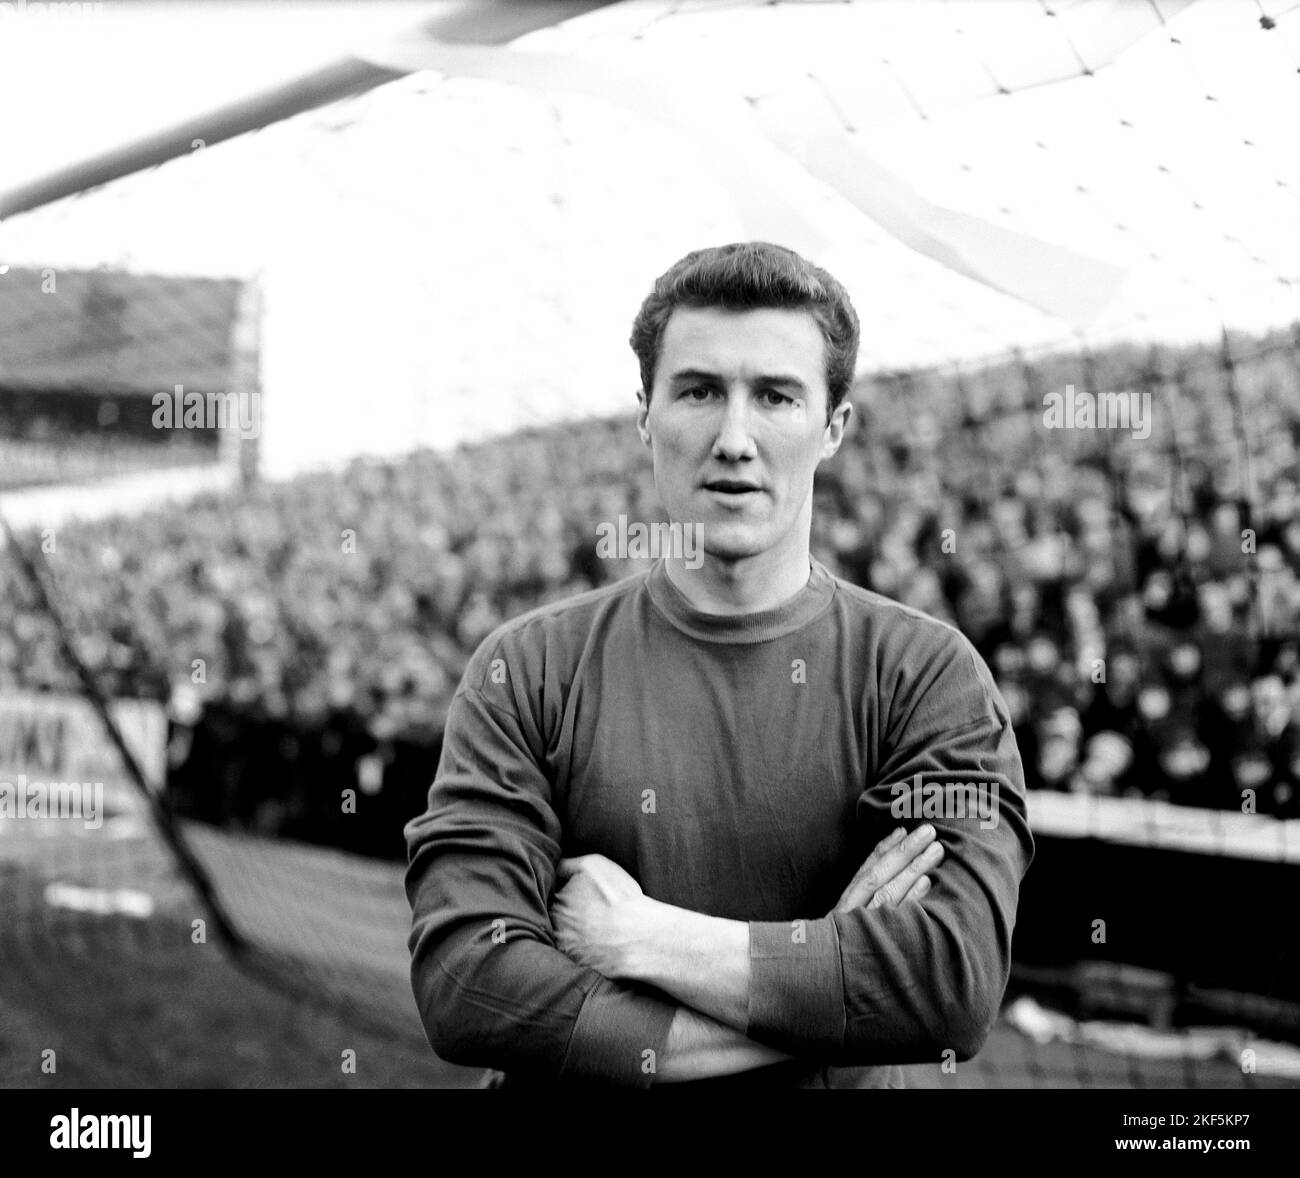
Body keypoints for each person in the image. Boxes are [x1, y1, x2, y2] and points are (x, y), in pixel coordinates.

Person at [404, 242, 1034, 1088]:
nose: (734, 438)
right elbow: (467, 985)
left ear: (834, 426)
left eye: (775, 396)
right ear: (645, 414)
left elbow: (948, 982)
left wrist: (647, 938)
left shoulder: (929, 678)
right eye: (699, 391)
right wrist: (827, 989)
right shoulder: (527, 667)